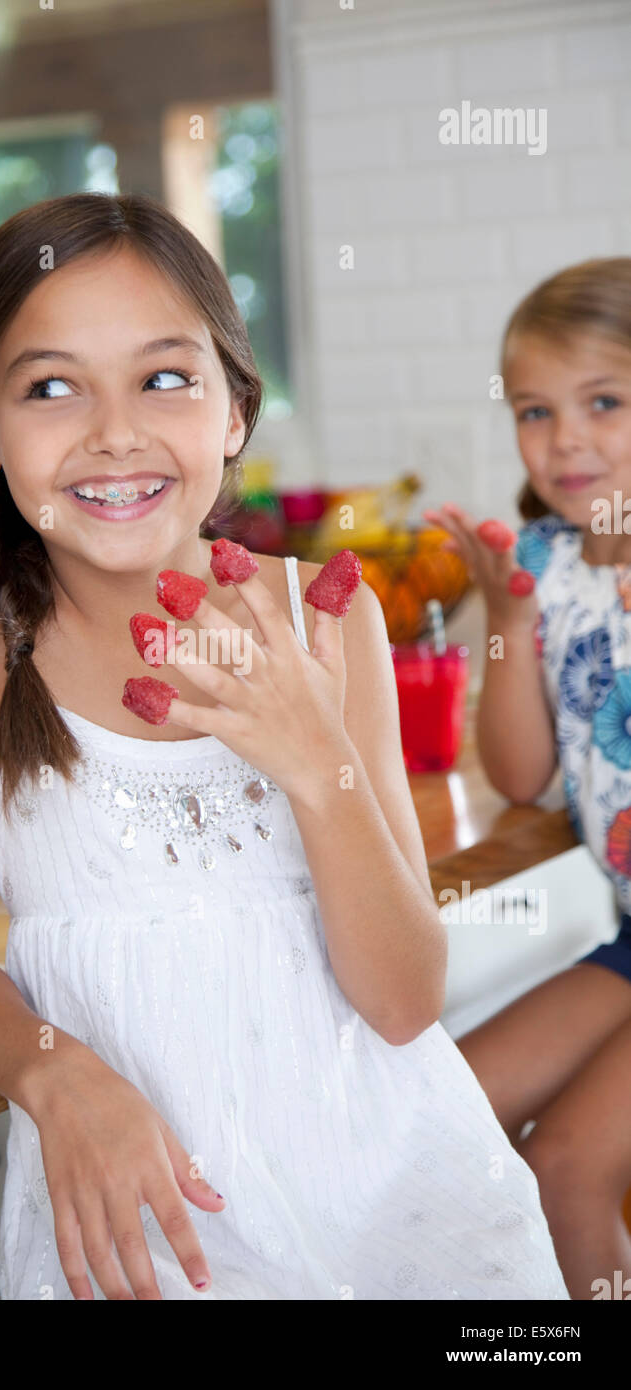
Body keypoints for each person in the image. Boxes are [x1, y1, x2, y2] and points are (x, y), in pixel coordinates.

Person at [0, 191, 568, 1301]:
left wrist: (313, 758)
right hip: (154, 1237)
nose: (114, 430)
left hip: (406, 1222)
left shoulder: (321, 616)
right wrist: (58, 1077)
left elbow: (402, 1000)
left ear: (233, 414)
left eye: (164, 377)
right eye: (51, 386)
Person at [424, 257, 631, 1301]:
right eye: (534, 411)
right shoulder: (545, 565)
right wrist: (504, 622)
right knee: (442, 1115)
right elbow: (517, 778)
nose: (565, 440)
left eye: (603, 402)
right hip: (629, 939)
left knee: (565, 1164)